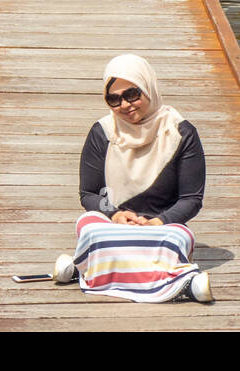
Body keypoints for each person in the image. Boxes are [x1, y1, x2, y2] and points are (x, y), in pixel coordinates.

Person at [54, 53, 213, 303]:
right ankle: (179, 282)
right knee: (89, 225)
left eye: (132, 94)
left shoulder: (182, 133)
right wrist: (116, 215)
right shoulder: (102, 132)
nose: (125, 105)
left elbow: (191, 199)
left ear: (148, 87)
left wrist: (157, 223)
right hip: (114, 225)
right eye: (114, 99)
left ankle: (86, 270)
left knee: (178, 238)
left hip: (162, 228)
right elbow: (90, 194)